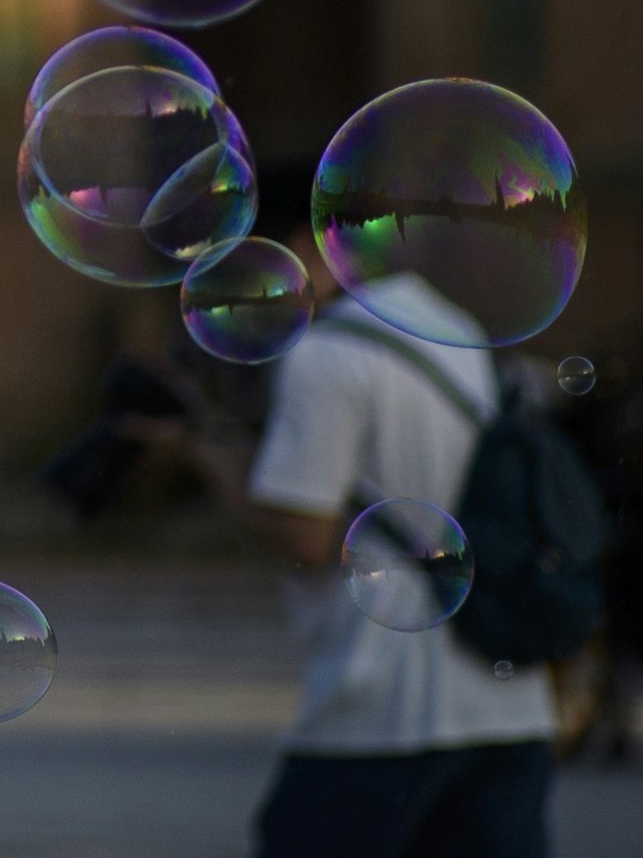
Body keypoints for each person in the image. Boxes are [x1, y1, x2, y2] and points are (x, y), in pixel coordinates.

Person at [176, 274, 553, 858]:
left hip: (380, 706)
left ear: (304, 243)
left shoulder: (326, 351)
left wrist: (212, 461)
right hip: (506, 702)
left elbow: (306, 536)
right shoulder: (452, 324)